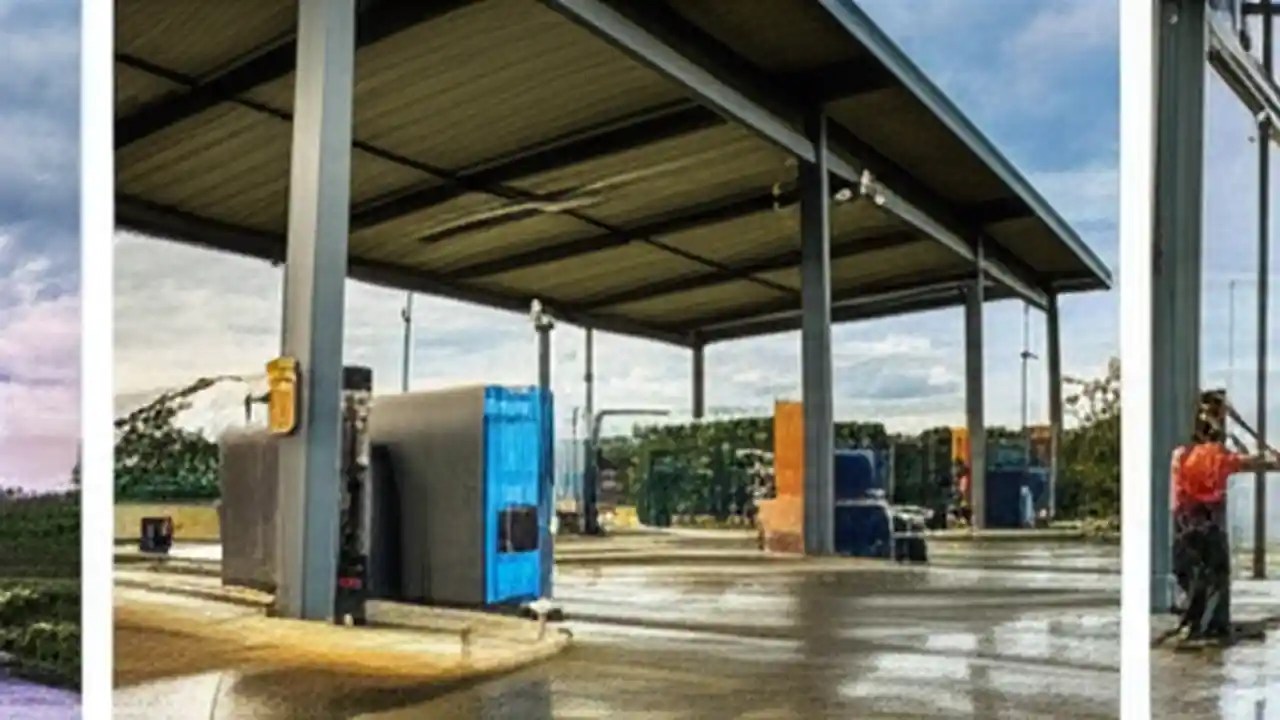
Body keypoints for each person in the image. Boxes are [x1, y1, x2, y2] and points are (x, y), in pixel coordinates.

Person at [1170, 390, 1280, 643]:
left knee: (1192, 576)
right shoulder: (1221, 457)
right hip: (1210, 524)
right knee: (1217, 577)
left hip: (1183, 524)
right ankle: (1213, 628)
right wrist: (1272, 457)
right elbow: (1253, 460)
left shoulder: (1180, 455)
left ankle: (1192, 624)